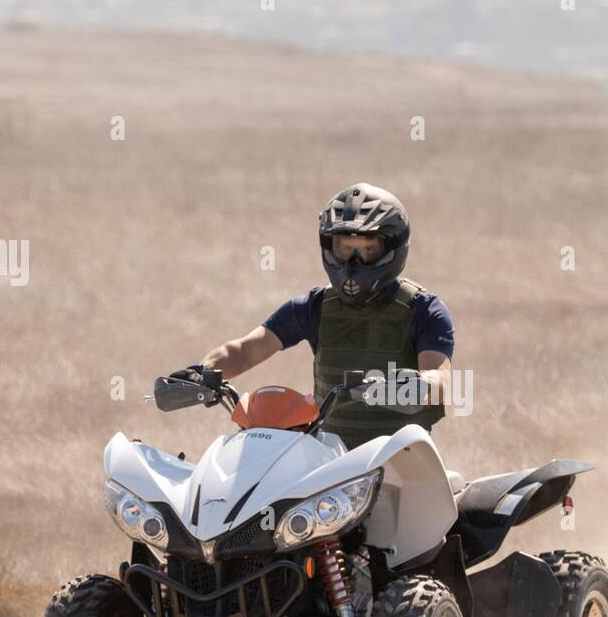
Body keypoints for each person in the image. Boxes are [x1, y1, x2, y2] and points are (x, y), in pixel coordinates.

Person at [192, 182, 454, 449]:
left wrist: (409, 385)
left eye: (367, 249)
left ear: (393, 247)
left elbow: (439, 379)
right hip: (330, 461)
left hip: (403, 462)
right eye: (344, 248)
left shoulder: (424, 309)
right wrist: (201, 373)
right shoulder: (312, 307)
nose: (353, 261)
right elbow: (244, 351)